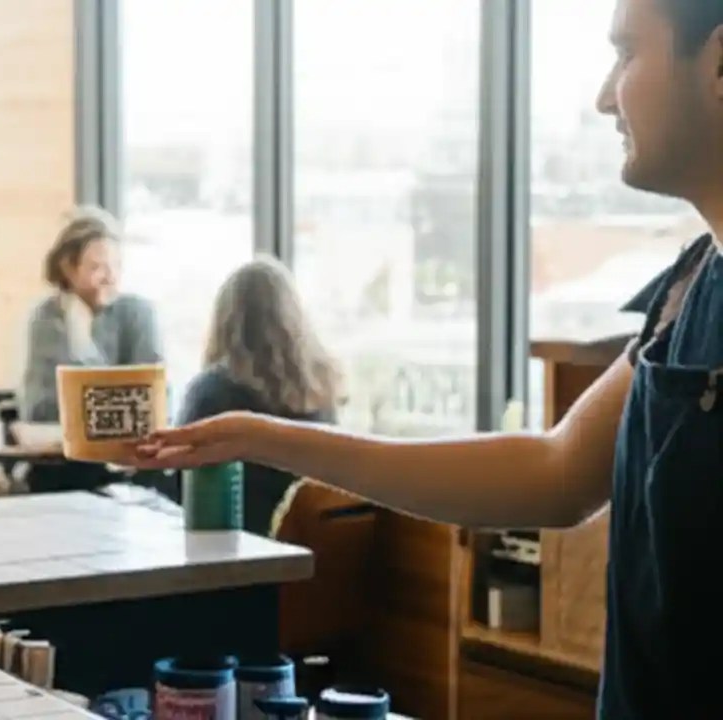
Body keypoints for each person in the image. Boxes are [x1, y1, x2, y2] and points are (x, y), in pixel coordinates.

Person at [129, 1, 723, 715]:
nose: (604, 96)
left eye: (626, 55)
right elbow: (555, 471)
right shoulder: (691, 289)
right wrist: (258, 436)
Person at [179, 258, 342, 535]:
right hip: (313, 563)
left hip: (237, 560)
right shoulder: (322, 391)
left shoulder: (213, 393)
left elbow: (183, 492)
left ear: (225, 321)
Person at [21, 207, 163, 423]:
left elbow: (153, 402)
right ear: (68, 268)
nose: (111, 277)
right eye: (98, 267)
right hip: (59, 452)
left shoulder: (138, 313)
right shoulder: (46, 319)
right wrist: (79, 339)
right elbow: (38, 411)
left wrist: (84, 349)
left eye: (116, 266)